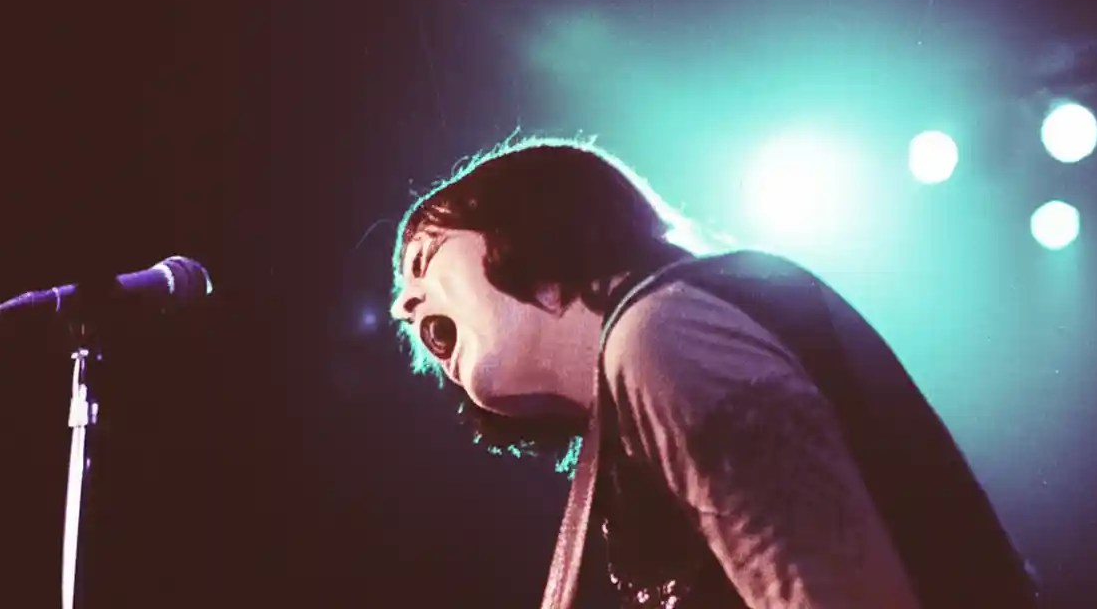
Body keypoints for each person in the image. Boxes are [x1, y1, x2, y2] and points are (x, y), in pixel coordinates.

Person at [388, 136, 1038, 608]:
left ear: (528, 226)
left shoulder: (664, 335)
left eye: (426, 259)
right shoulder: (655, 352)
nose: (403, 304)